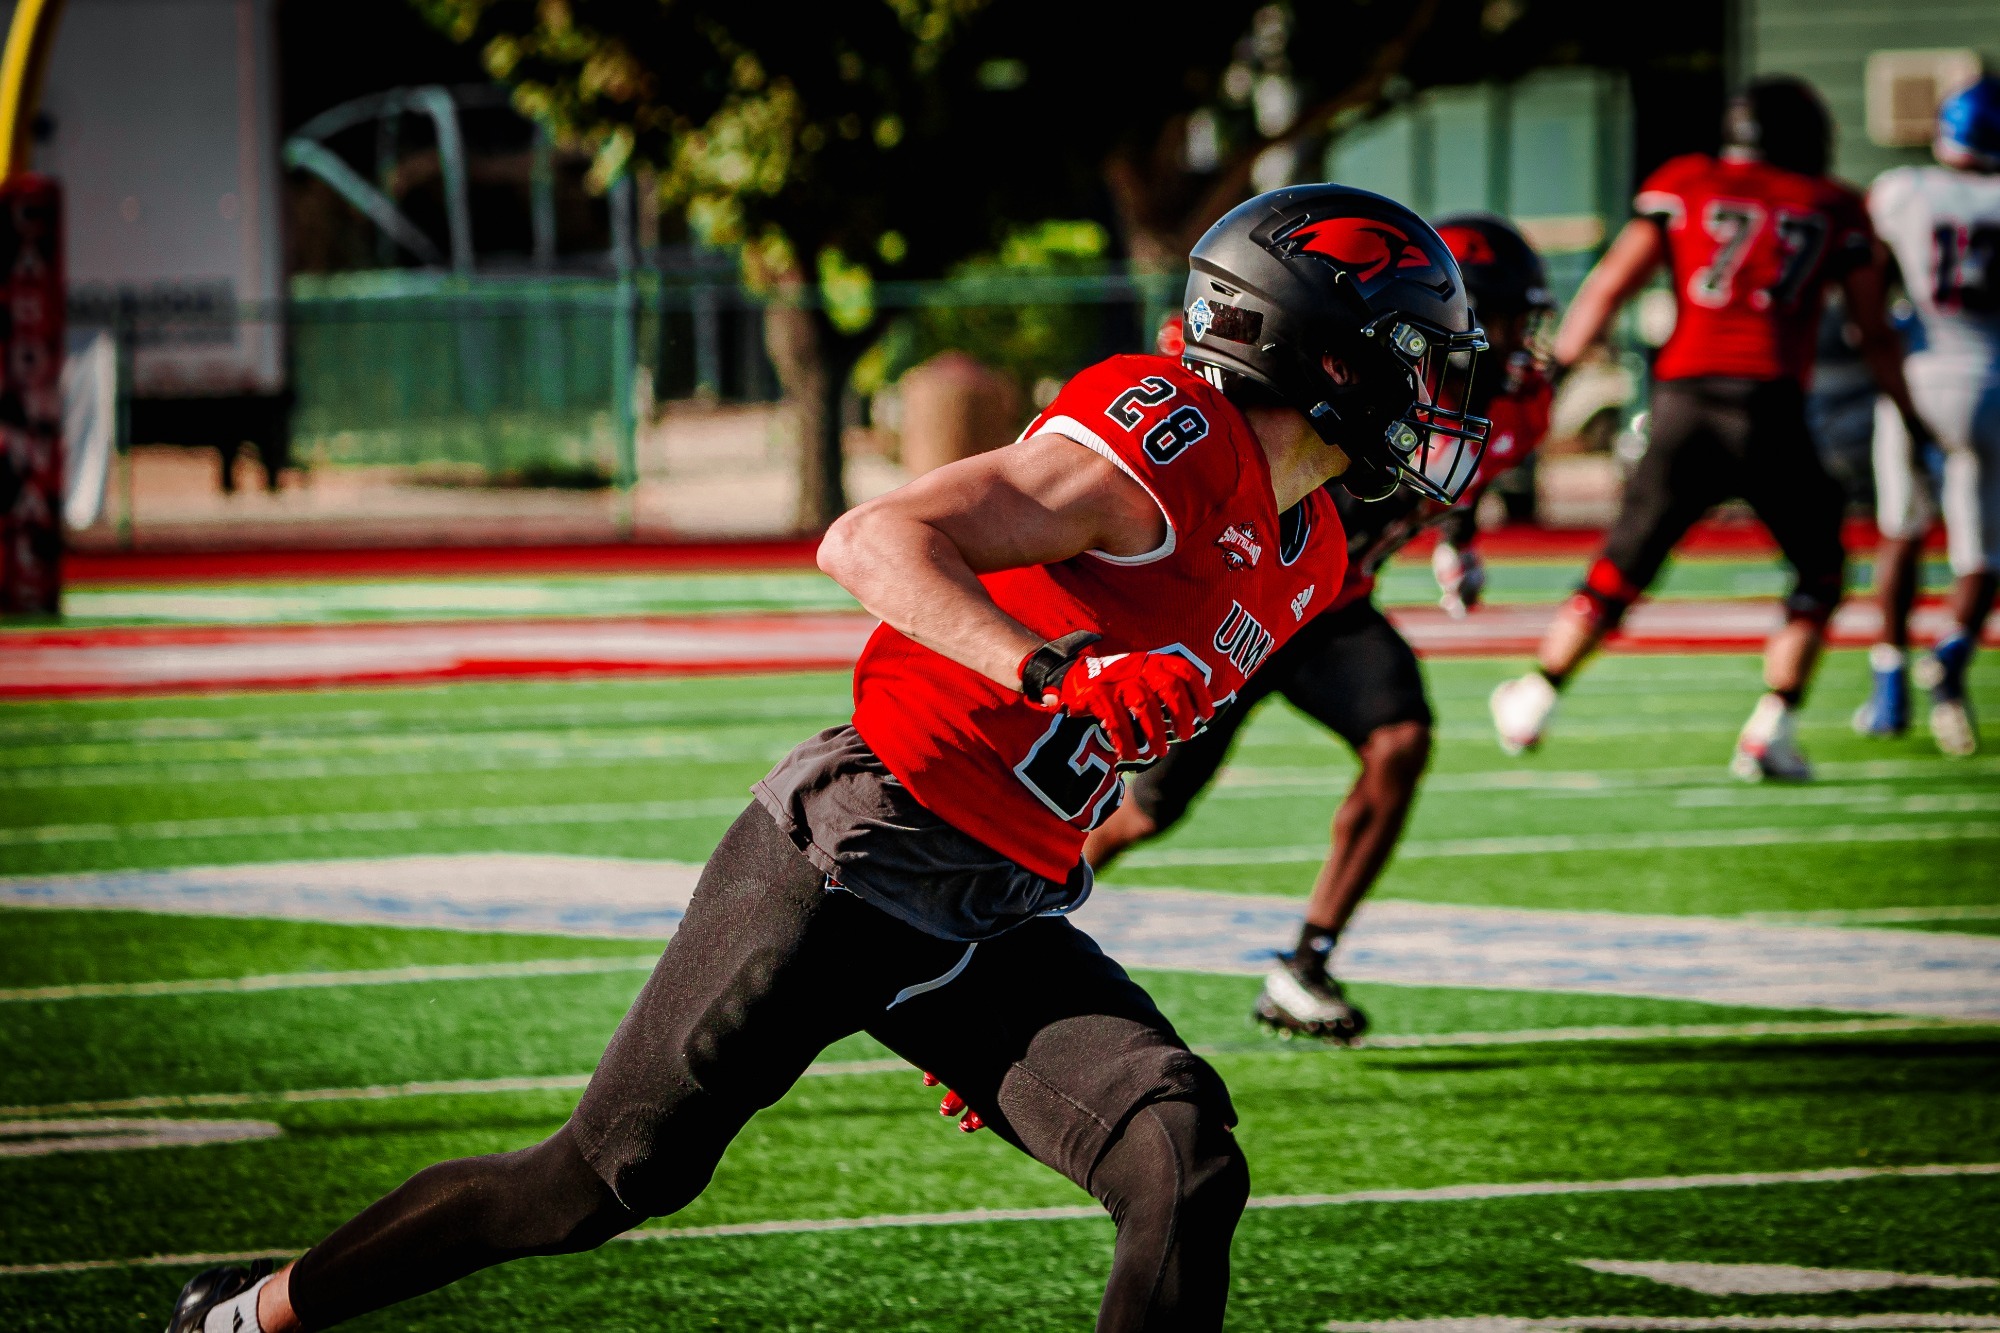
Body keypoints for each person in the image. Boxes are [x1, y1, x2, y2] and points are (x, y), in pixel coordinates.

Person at [162, 184, 1490, 1333]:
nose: (1437, 391)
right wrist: (1055, 669)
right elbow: (872, 538)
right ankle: (255, 1315)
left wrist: (982, 1012)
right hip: (853, 855)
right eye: (1415, 355)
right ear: (1320, 347)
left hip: (993, 913)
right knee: (598, 1182)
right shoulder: (1170, 439)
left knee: (1182, 1156)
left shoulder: (1312, 545)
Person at [1082, 214, 1554, 1042]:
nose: (1512, 341)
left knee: (1399, 739)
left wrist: (1459, 541)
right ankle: (1010, 916)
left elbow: (1453, 476)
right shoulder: (1356, 378)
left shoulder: (1514, 406)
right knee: (1145, 810)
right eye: (1506, 318)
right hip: (1245, 600)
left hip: (1332, 605)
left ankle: (1309, 962)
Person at [1489, 76, 1933, 781]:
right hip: (1771, 408)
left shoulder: (1687, 182)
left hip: (1686, 403)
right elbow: (1873, 331)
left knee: (1624, 563)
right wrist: (1910, 412)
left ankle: (1536, 698)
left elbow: (1610, 284)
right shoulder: (1832, 205)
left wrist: (1559, 371)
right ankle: (1771, 727)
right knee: (1820, 570)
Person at [1852, 75, 2000, 756]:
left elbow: (1869, 280)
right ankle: (1951, 657)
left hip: (1913, 371)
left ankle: (1888, 686)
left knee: (1901, 530)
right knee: (1981, 552)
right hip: (1987, 375)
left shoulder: (1903, 189)